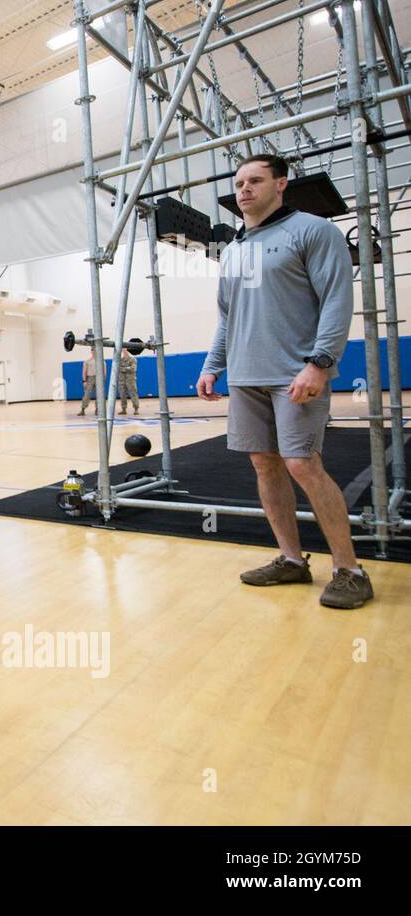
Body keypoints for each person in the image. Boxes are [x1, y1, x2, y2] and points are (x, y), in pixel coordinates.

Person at [197, 153, 374, 610]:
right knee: (264, 464)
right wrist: (212, 365)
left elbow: (337, 299)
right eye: (238, 183)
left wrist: (319, 363)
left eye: (255, 180)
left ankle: (349, 570)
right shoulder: (233, 249)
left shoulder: (314, 230)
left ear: (281, 184)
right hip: (245, 376)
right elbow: (226, 317)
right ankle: (292, 560)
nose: (243, 190)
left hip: (294, 372)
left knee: (302, 465)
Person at [115, 347, 140, 416]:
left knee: (133, 394)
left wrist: (123, 369)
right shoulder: (120, 360)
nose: (125, 351)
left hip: (130, 380)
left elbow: (133, 369)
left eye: (126, 350)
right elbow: (117, 368)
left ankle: (136, 409)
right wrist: (127, 368)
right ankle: (123, 409)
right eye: (123, 350)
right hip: (122, 381)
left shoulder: (132, 359)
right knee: (122, 395)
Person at [78, 345, 99, 416]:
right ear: (91, 351)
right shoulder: (87, 361)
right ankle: (82, 409)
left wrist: (102, 380)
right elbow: (84, 371)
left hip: (99, 379)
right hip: (90, 378)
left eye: (95, 350)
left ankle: (98, 409)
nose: (94, 352)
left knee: (99, 395)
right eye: (92, 350)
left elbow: (104, 371)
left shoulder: (101, 361)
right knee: (86, 395)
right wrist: (84, 381)